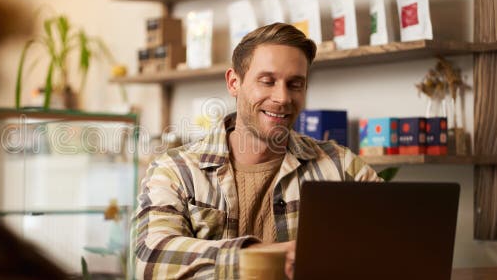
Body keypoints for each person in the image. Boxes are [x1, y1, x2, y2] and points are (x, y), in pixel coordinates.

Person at [133, 23, 382, 279]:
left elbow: (396, 236)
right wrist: (258, 256)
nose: (282, 97)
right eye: (267, 81)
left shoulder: (339, 166)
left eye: (295, 84)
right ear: (234, 82)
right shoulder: (175, 170)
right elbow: (150, 257)